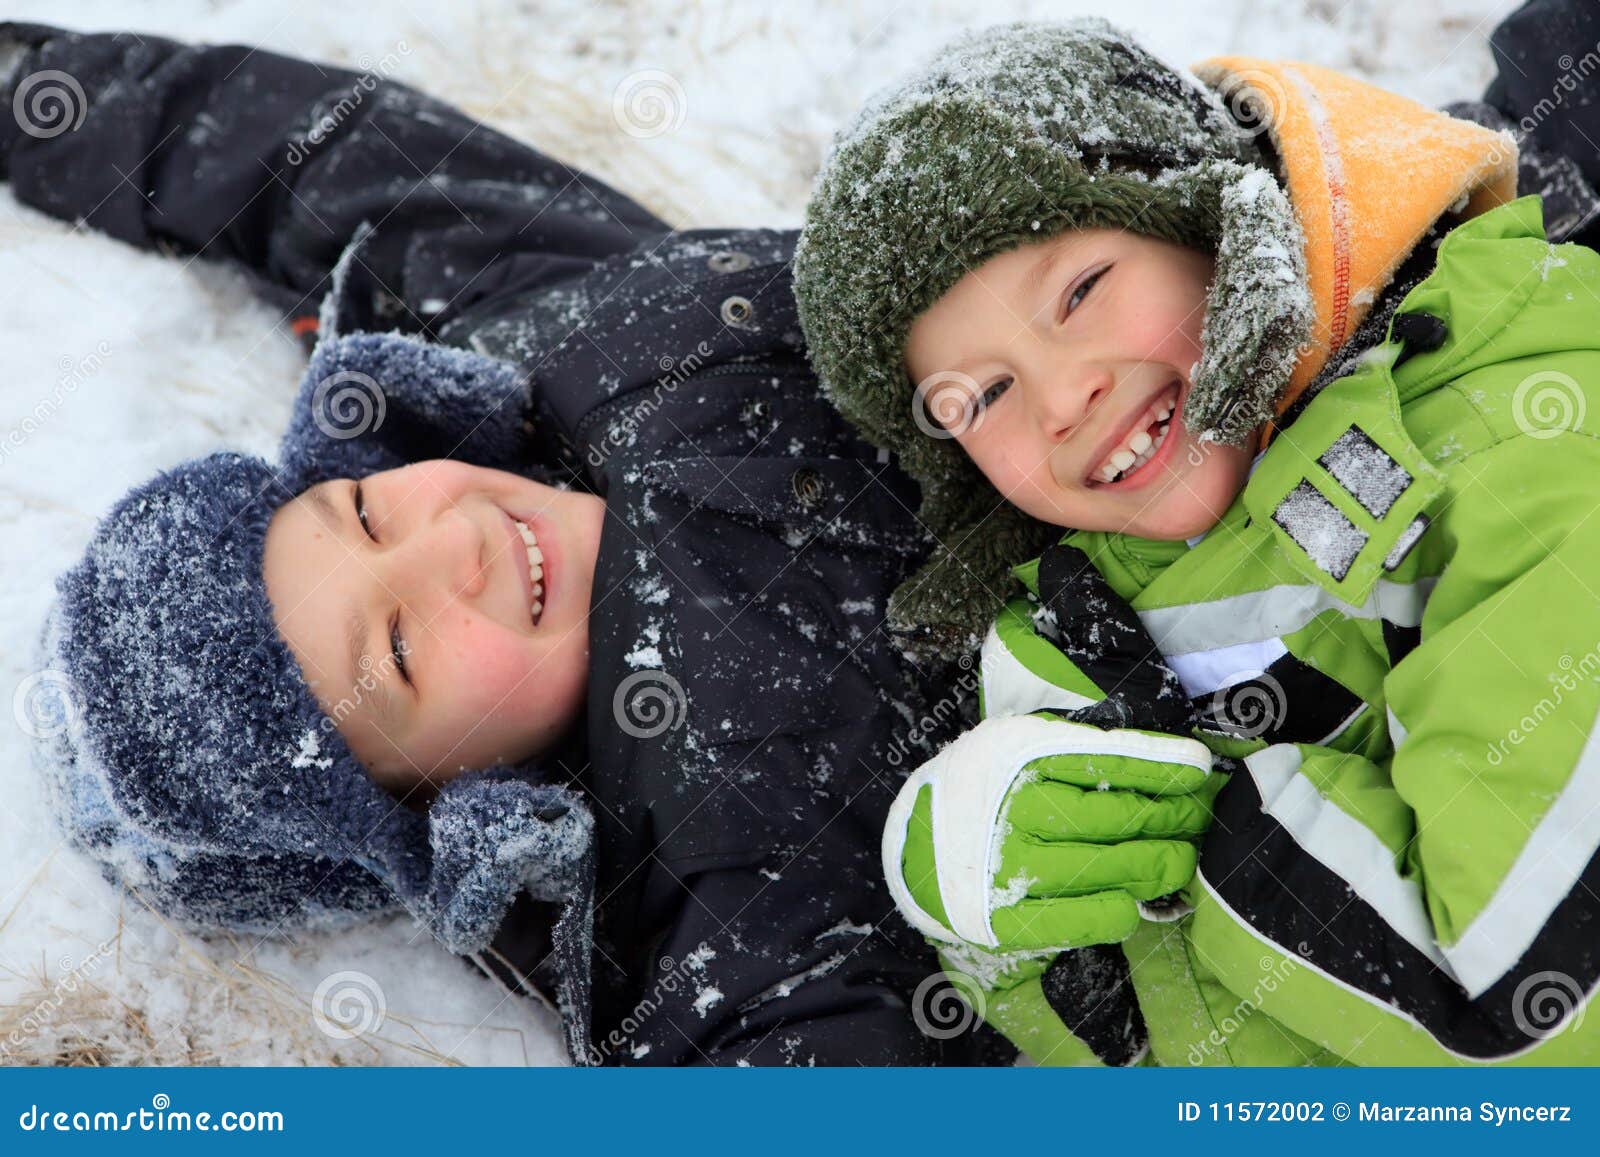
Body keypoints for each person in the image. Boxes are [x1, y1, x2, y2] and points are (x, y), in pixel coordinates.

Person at [4, 20, 1012, 1066]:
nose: (453, 540)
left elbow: (326, 163)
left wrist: (47, 96)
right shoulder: (706, 887)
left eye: (367, 513)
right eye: (399, 647)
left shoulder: (497, 327)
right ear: (433, 803)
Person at [792, 12, 1600, 1064]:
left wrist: (1193, 847)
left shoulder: (1511, 428)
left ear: (1214, 221)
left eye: (1080, 291)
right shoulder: (1068, 635)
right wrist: (992, 925)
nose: (1062, 398)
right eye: (980, 395)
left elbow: (1531, 1026)